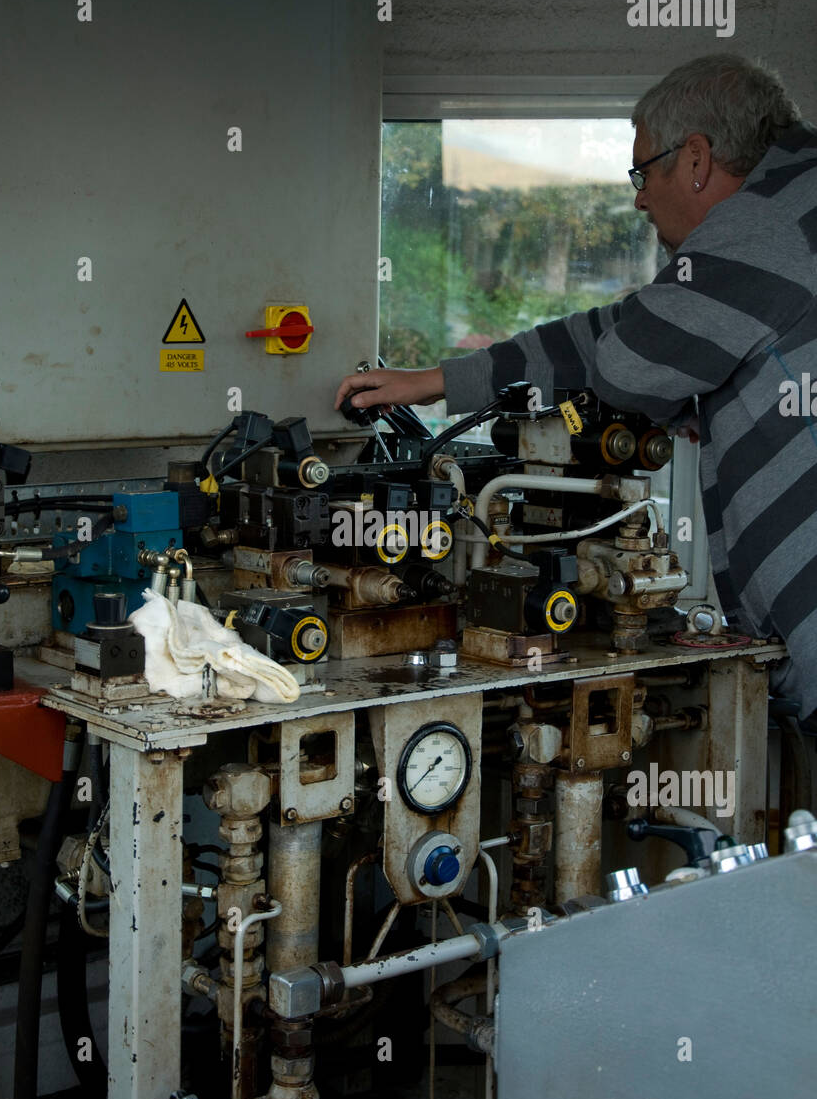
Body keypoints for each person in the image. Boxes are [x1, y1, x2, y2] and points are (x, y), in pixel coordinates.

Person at [334, 55, 817, 721]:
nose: (639, 197)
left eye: (643, 172)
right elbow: (615, 333)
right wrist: (438, 382)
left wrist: (673, 393)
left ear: (697, 158)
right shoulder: (797, 199)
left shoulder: (764, 225)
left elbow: (626, 367)